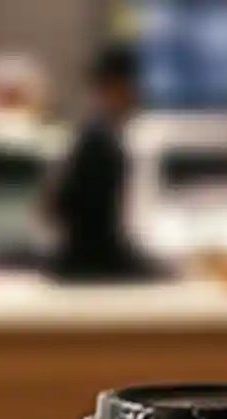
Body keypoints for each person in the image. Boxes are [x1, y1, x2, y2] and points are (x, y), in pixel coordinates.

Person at [46, 45, 147, 282]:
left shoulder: (98, 137)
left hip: (83, 264)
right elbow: (84, 216)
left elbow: (57, 205)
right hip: (91, 270)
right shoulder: (100, 143)